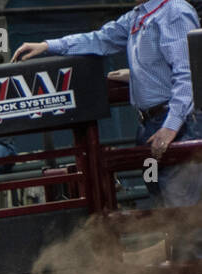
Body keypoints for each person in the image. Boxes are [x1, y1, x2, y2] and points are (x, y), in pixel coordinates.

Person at [15, 2, 200, 206]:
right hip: (151, 125)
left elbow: (187, 72)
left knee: (182, 202)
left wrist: (171, 126)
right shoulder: (137, 17)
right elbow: (101, 39)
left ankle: (187, 237)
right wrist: (48, 46)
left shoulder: (174, 12)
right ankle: (175, 236)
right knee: (160, 195)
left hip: (175, 125)